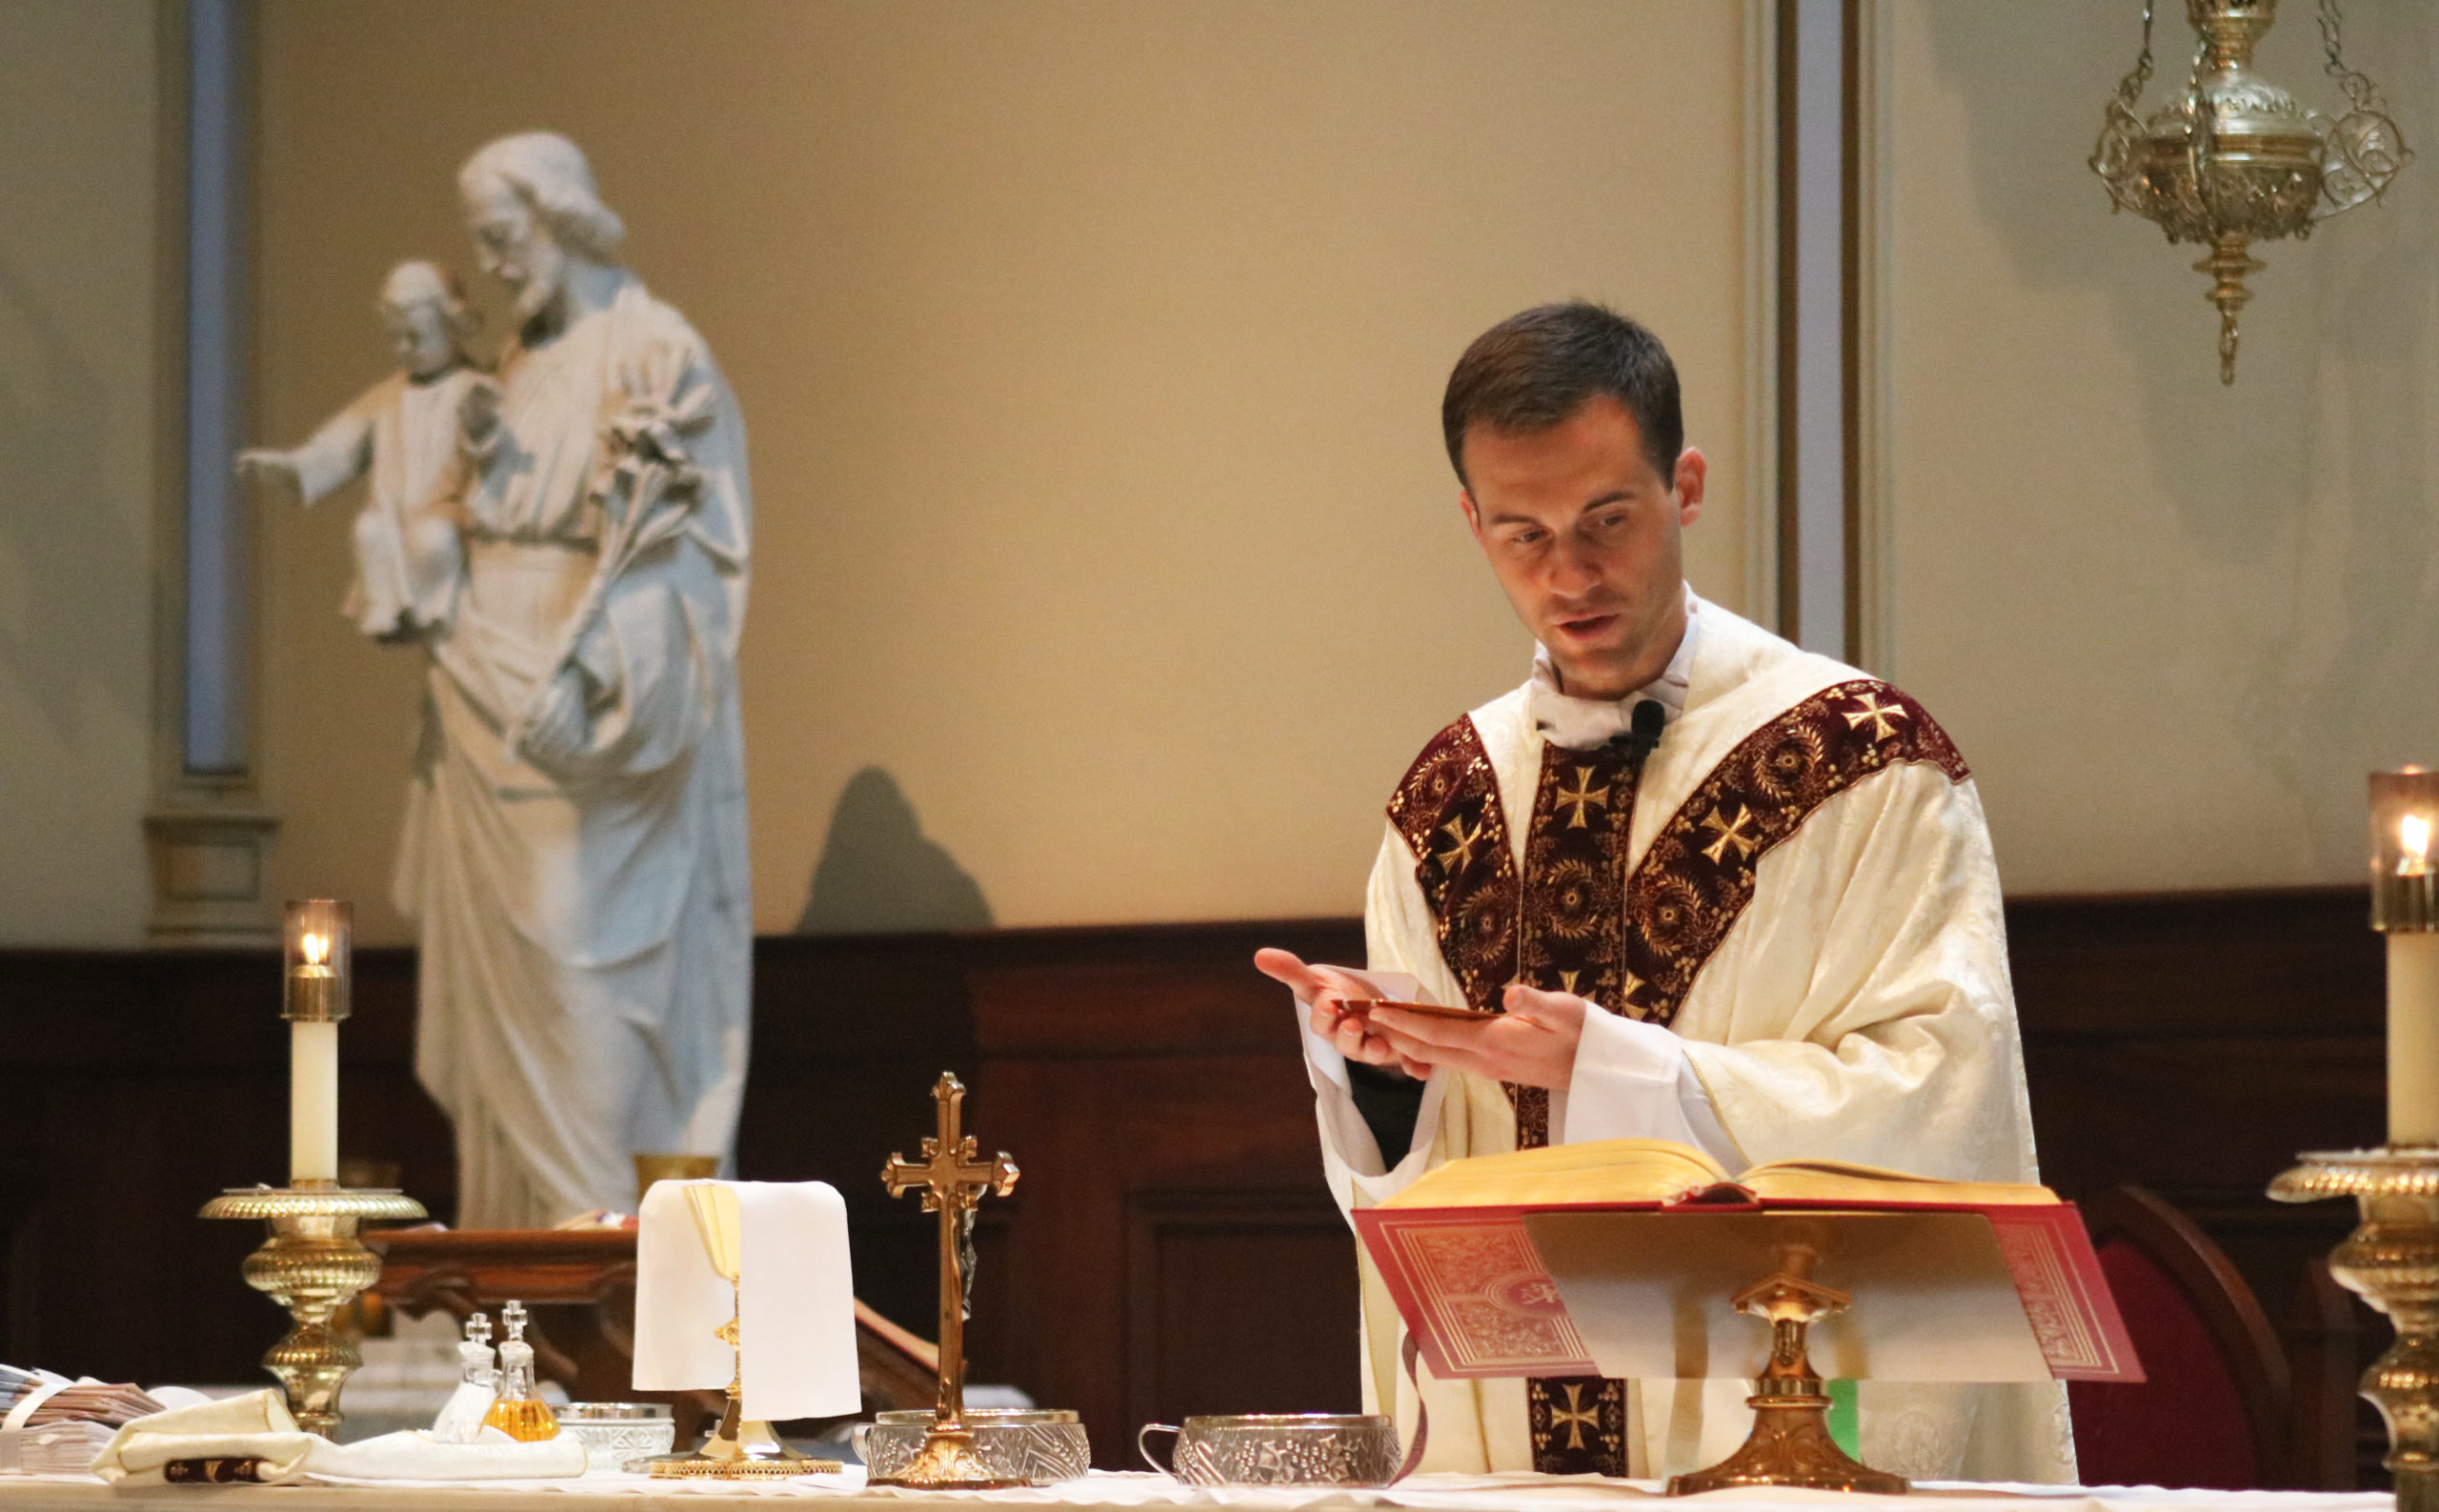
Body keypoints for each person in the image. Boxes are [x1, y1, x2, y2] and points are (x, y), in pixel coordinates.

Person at [1256, 303, 2069, 1483]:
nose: (1569, 575)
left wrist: (1619, 1074)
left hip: (1781, 1447)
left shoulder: (1867, 762)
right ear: (1470, 524)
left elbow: (1943, 1094)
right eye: (1521, 535)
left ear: (1684, 486)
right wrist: (1385, 1081)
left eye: (1607, 520)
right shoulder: (1447, 800)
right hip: (1516, 1467)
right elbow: (1428, 1197)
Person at [403, 131, 754, 1226]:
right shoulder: (515, 365)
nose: (495, 265)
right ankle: (516, 1297)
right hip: (478, 699)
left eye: (503, 238)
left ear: (556, 216)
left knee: (580, 974)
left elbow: (686, 554)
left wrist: (602, 684)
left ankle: (605, 1269)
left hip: (590, 731)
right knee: (500, 1007)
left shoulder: (653, 350)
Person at [236, 260, 485, 641]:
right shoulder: (387, 396)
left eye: (416, 337)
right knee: (368, 531)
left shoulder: (471, 389)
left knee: (434, 540)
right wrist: (293, 468)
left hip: (444, 512)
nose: (405, 349)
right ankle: (385, 607)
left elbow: (495, 445)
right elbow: (340, 445)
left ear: (450, 327)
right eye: (397, 338)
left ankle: (436, 608)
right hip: (392, 513)